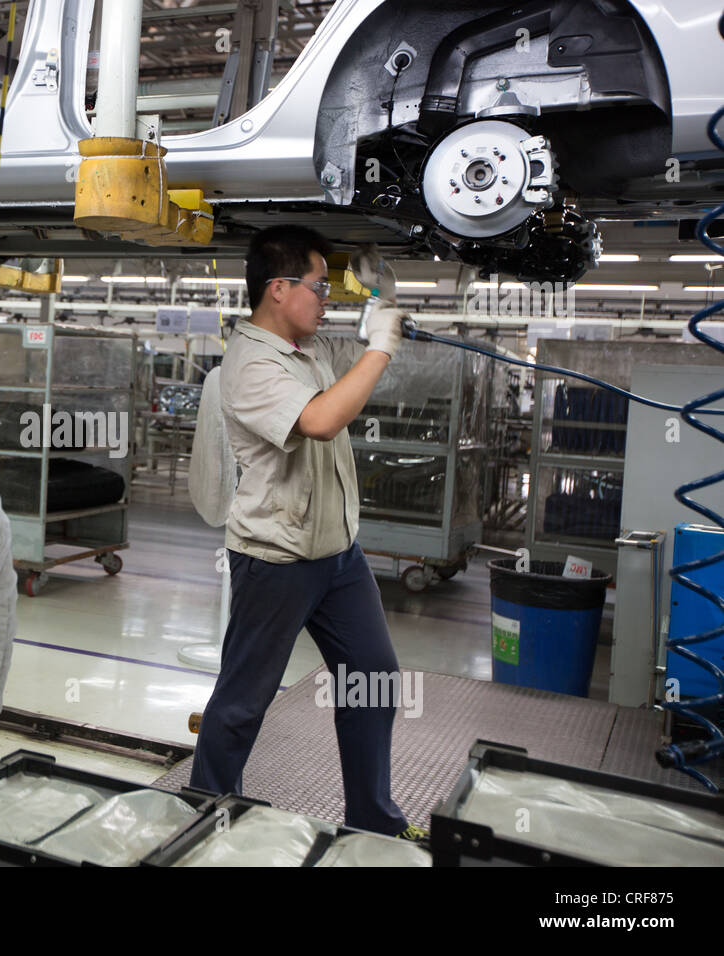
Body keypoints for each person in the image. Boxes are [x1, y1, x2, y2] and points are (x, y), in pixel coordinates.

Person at [188, 224, 425, 841]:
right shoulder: (250, 364)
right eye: (319, 287)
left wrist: (384, 307)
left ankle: (373, 822)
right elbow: (320, 420)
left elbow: (347, 394)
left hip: (339, 556)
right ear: (277, 289)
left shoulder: (308, 349)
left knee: (373, 677)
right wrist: (381, 346)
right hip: (277, 557)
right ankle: (204, 813)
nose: (326, 298)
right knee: (244, 701)